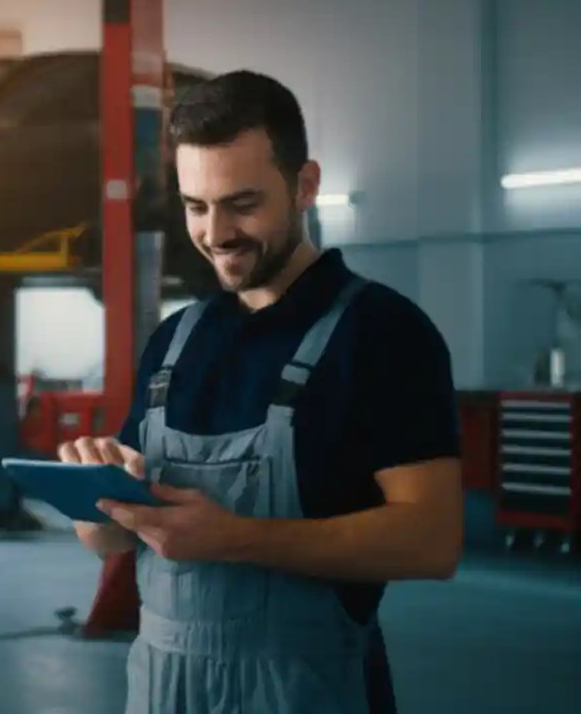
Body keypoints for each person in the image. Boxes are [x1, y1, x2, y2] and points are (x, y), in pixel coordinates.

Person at [59, 70, 463, 714]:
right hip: (162, 690)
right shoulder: (175, 343)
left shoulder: (382, 333)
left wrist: (234, 537)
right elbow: (113, 544)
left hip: (305, 691)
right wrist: (95, 501)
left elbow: (433, 540)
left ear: (304, 185)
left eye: (242, 203)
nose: (216, 233)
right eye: (196, 206)